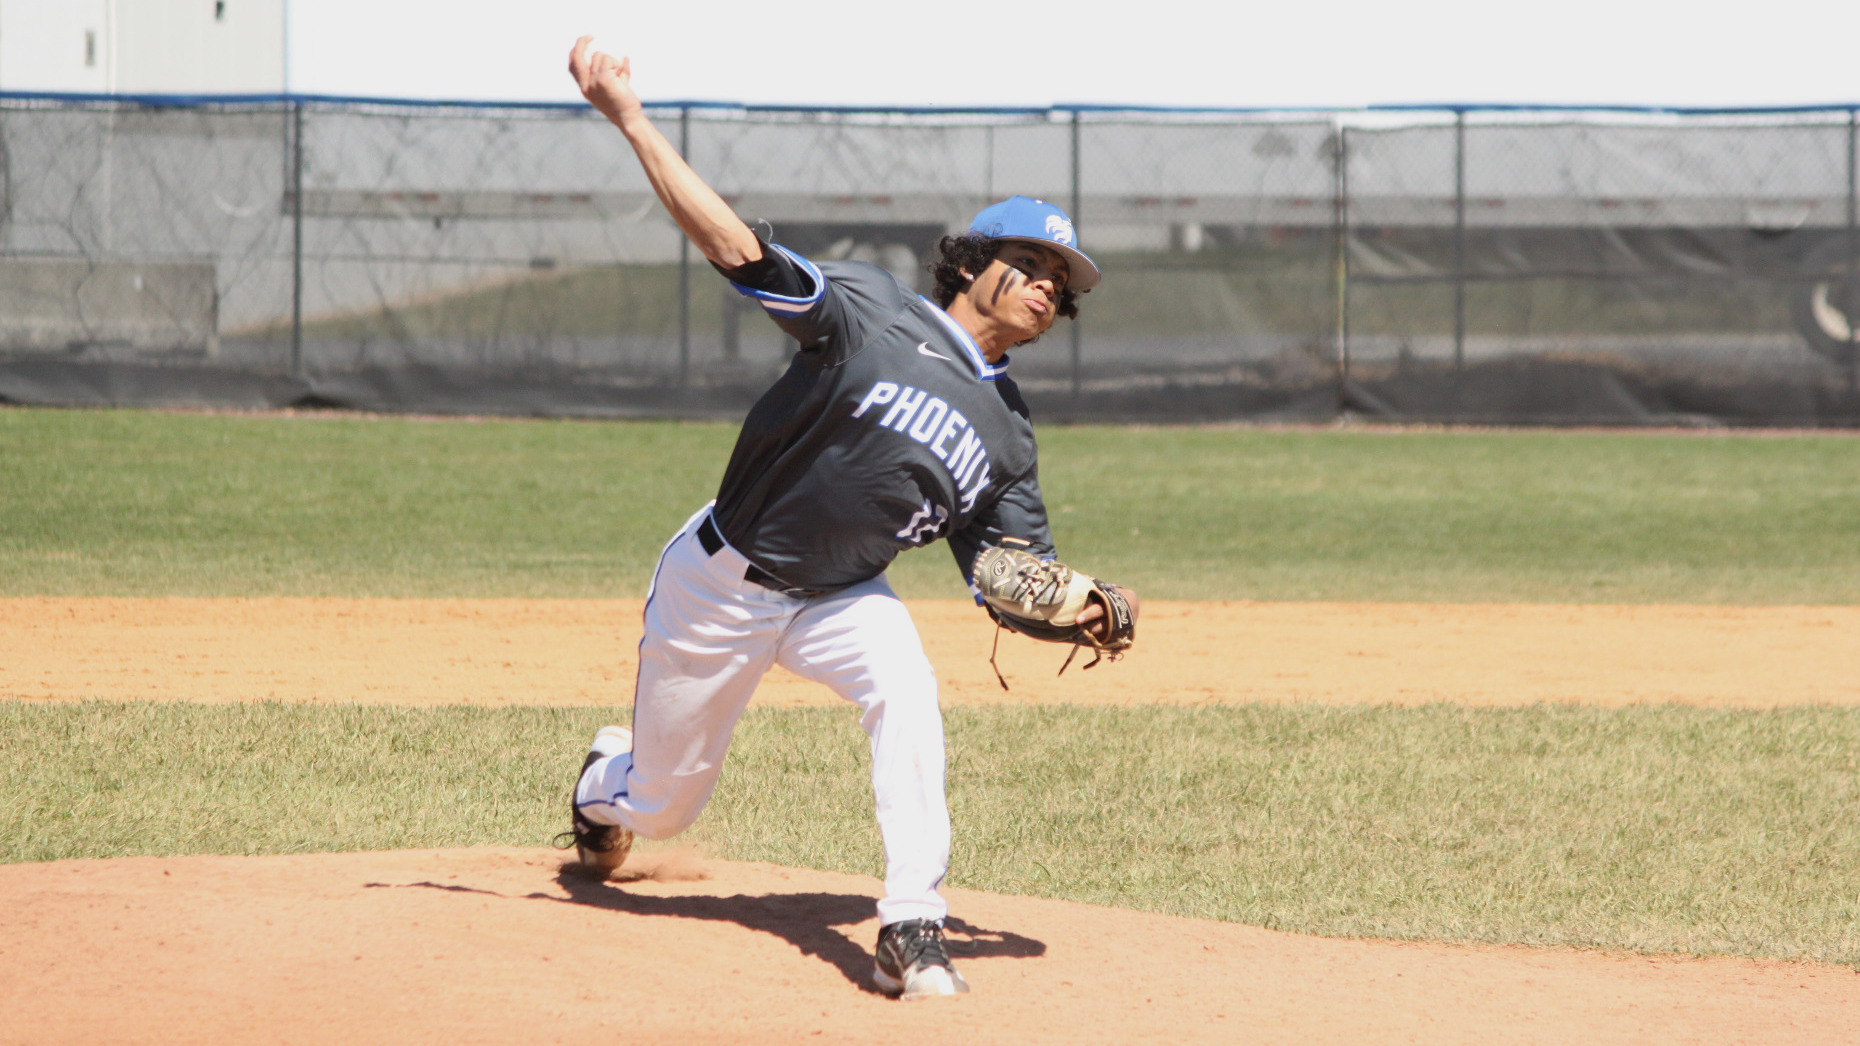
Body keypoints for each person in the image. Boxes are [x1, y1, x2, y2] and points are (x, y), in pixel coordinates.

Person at [560, 37, 1137, 1001]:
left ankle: (911, 923)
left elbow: (1006, 568)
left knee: (906, 686)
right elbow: (736, 250)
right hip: (722, 581)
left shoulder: (1008, 433)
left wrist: (1065, 600)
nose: (1047, 283)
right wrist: (630, 120)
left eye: (1061, 279)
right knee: (661, 810)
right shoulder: (872, 311)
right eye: (1030, 260)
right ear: (975, 261)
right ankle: (602, 778)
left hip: (840, 597)